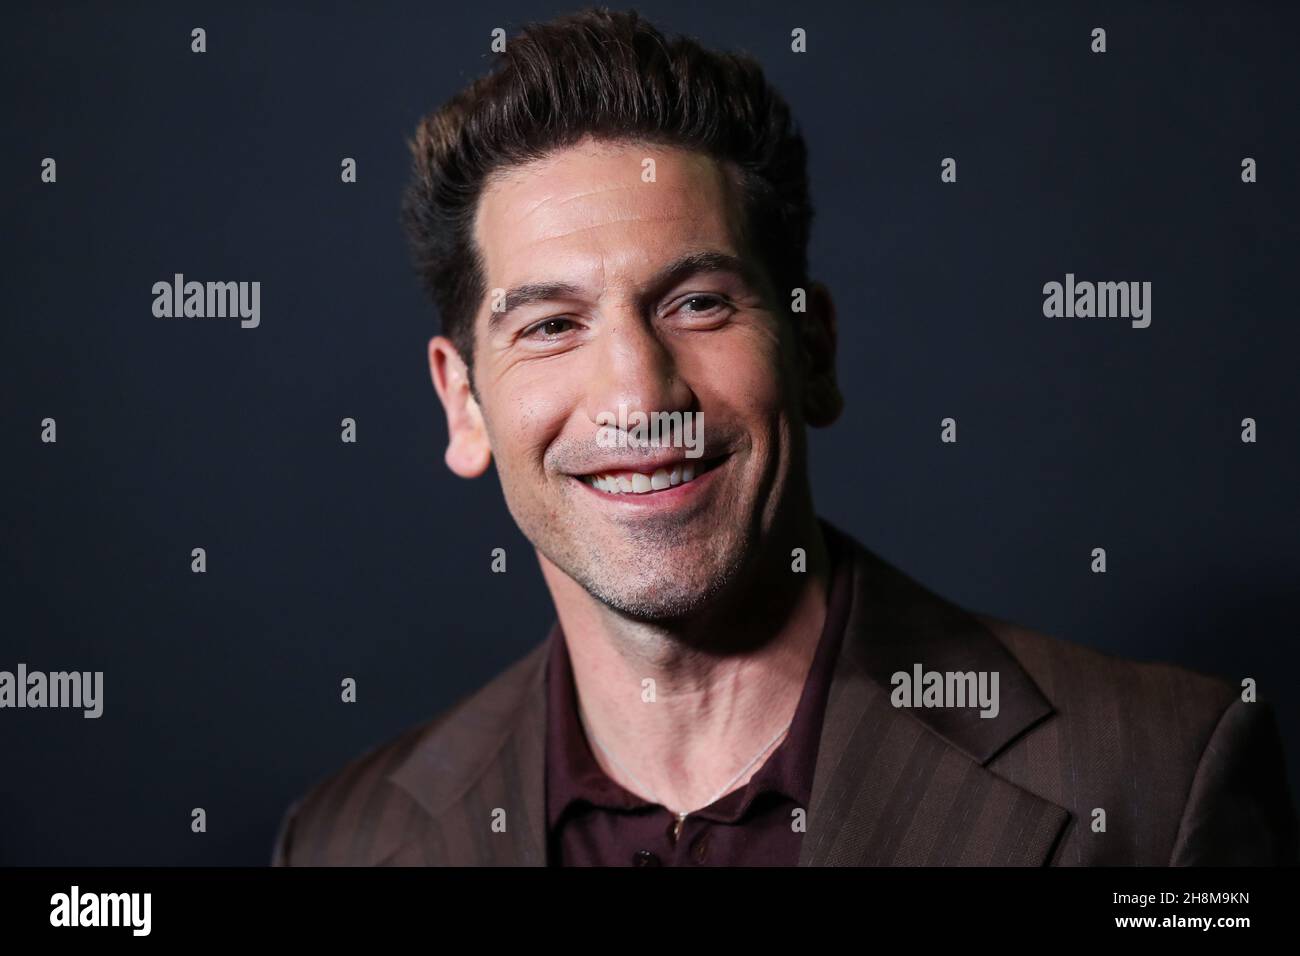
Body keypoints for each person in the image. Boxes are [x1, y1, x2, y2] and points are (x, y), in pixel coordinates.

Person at [271, 8, 1298, 866]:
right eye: (549, 325)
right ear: (464, 405)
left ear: (811, 347)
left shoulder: (1156, 786)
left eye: (698, 302)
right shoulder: (343, 843)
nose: (636, 393)